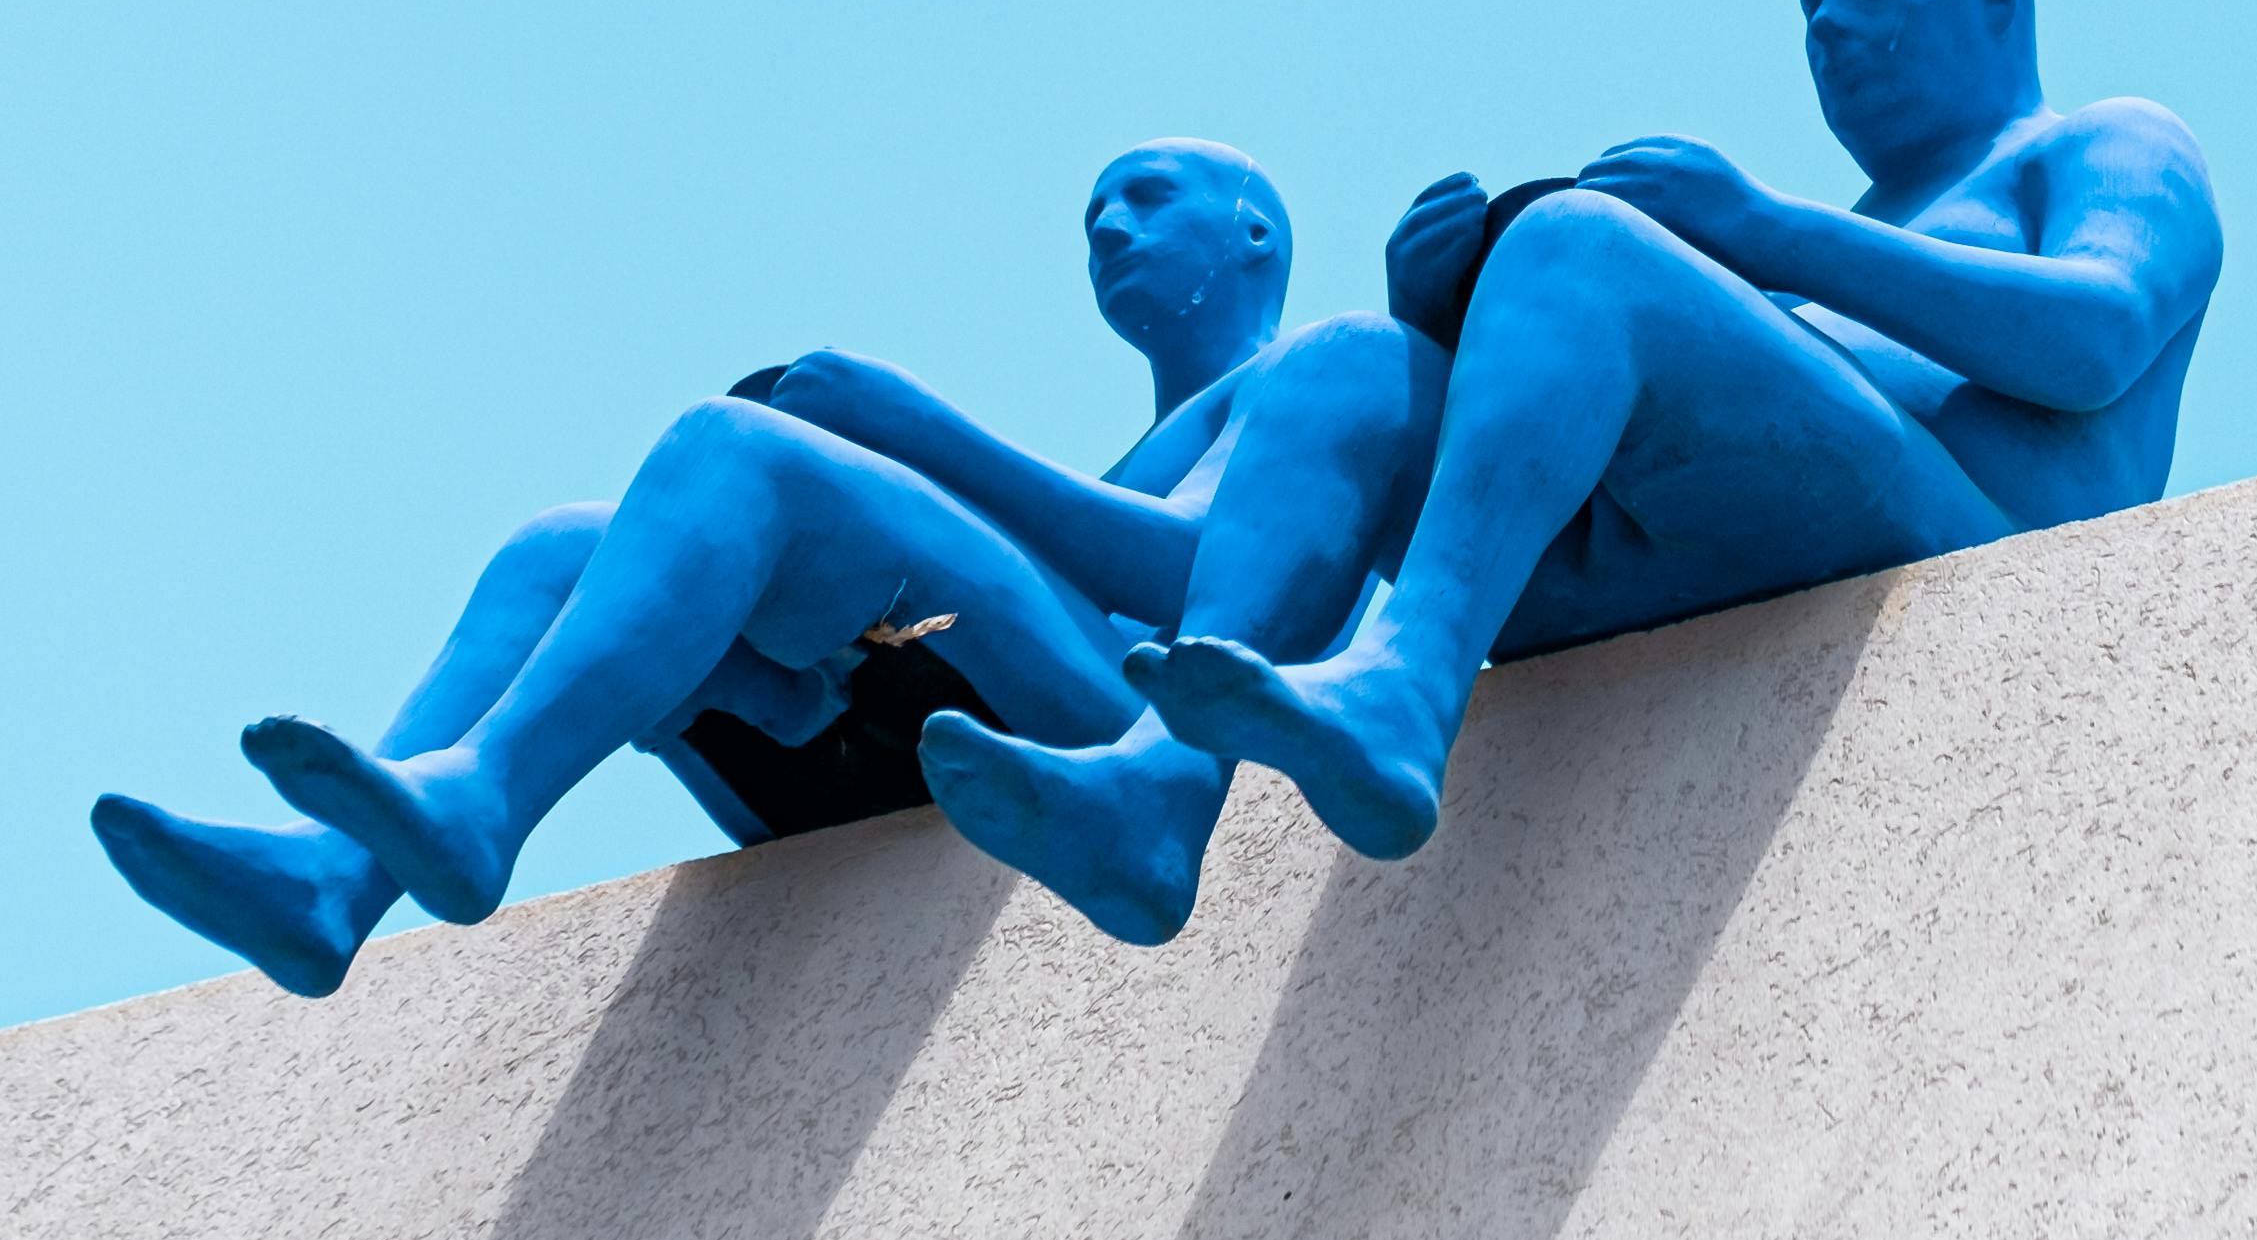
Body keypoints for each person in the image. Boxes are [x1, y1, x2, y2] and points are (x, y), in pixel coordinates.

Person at [924, 0, 2221, 891]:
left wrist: (1757, 229)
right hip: (1708, 554)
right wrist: (1452, 312)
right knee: (1353, 366)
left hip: (1972, 541)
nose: (1832, 25)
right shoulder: (1845, 236)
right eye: (1812, 0)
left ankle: (1407, 681)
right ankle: (1161, 788)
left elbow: (2096, 337)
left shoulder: (2108, 145)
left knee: (1577, 244)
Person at [90, 142, 1438, 987]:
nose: (1109, 228)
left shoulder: (1310, 374)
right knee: (560, 547)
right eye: (1094, 211)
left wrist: (913, 430)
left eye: (1148, 199)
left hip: (1118, 734)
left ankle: (485, 800)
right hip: (952, 729)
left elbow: (1194, 581)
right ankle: (338, 878)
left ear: (1254, 230)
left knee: (734, 451)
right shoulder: (1145, 438)